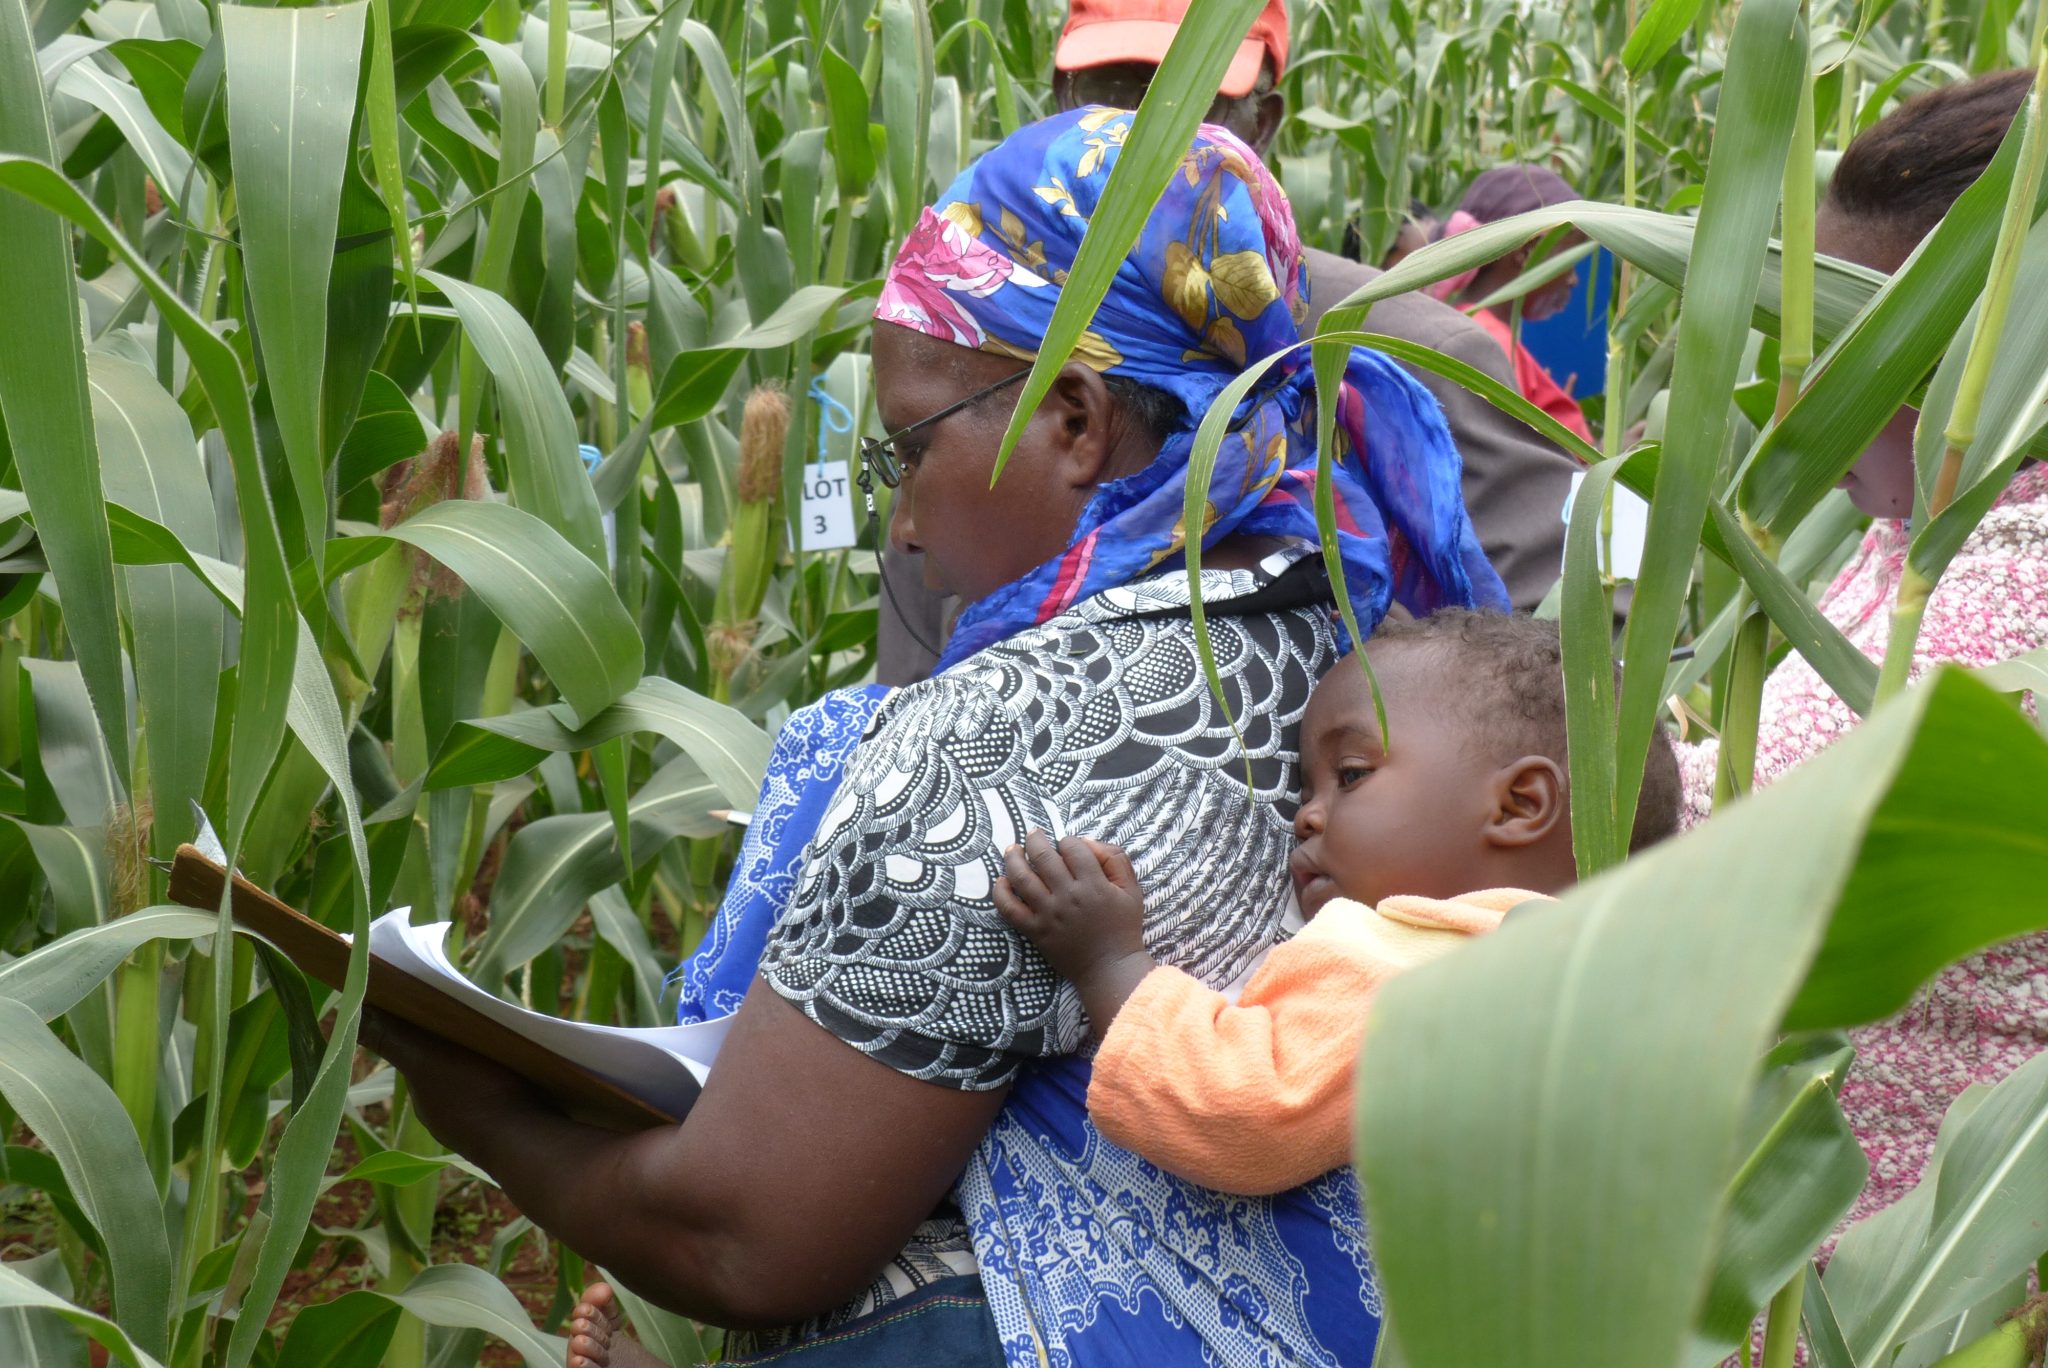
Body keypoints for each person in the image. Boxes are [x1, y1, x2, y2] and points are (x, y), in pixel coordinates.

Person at [370, 108, 1502, 1368]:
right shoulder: (1367, 626)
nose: (903, 529)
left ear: (1073, 419)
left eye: (909, 449)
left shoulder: (1005, 733)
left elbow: (746, 1235)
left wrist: (476, 1105)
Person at [874, 0, 1587, 686]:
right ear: (1062, 98)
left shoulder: (1410, 354)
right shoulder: (969, 348)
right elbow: (913, 655)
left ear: (1264, 121)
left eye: (1186, 103)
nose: (1141, 134)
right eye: (1115, 92)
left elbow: (1556, 678)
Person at [1676, 67, 2047, 1236]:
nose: (1794, 409)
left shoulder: (2011, 602)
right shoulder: (1919, 537)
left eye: (1840, 349)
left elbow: (1733, 855)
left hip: (1911, 1293)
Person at [992, 611, 1680, 1198]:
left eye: (1350, 775)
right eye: (1304, 790)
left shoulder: (1416, 967)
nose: (1305, 818)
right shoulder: (1628, 987)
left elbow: (1238, 1112)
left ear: (1520, 804)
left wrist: (1109, 960)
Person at [1427, 164, 1595, 444]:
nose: (1573, 280)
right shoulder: (1488, 344)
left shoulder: (1454, 325)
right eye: (1569, 261)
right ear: (1527, 251)